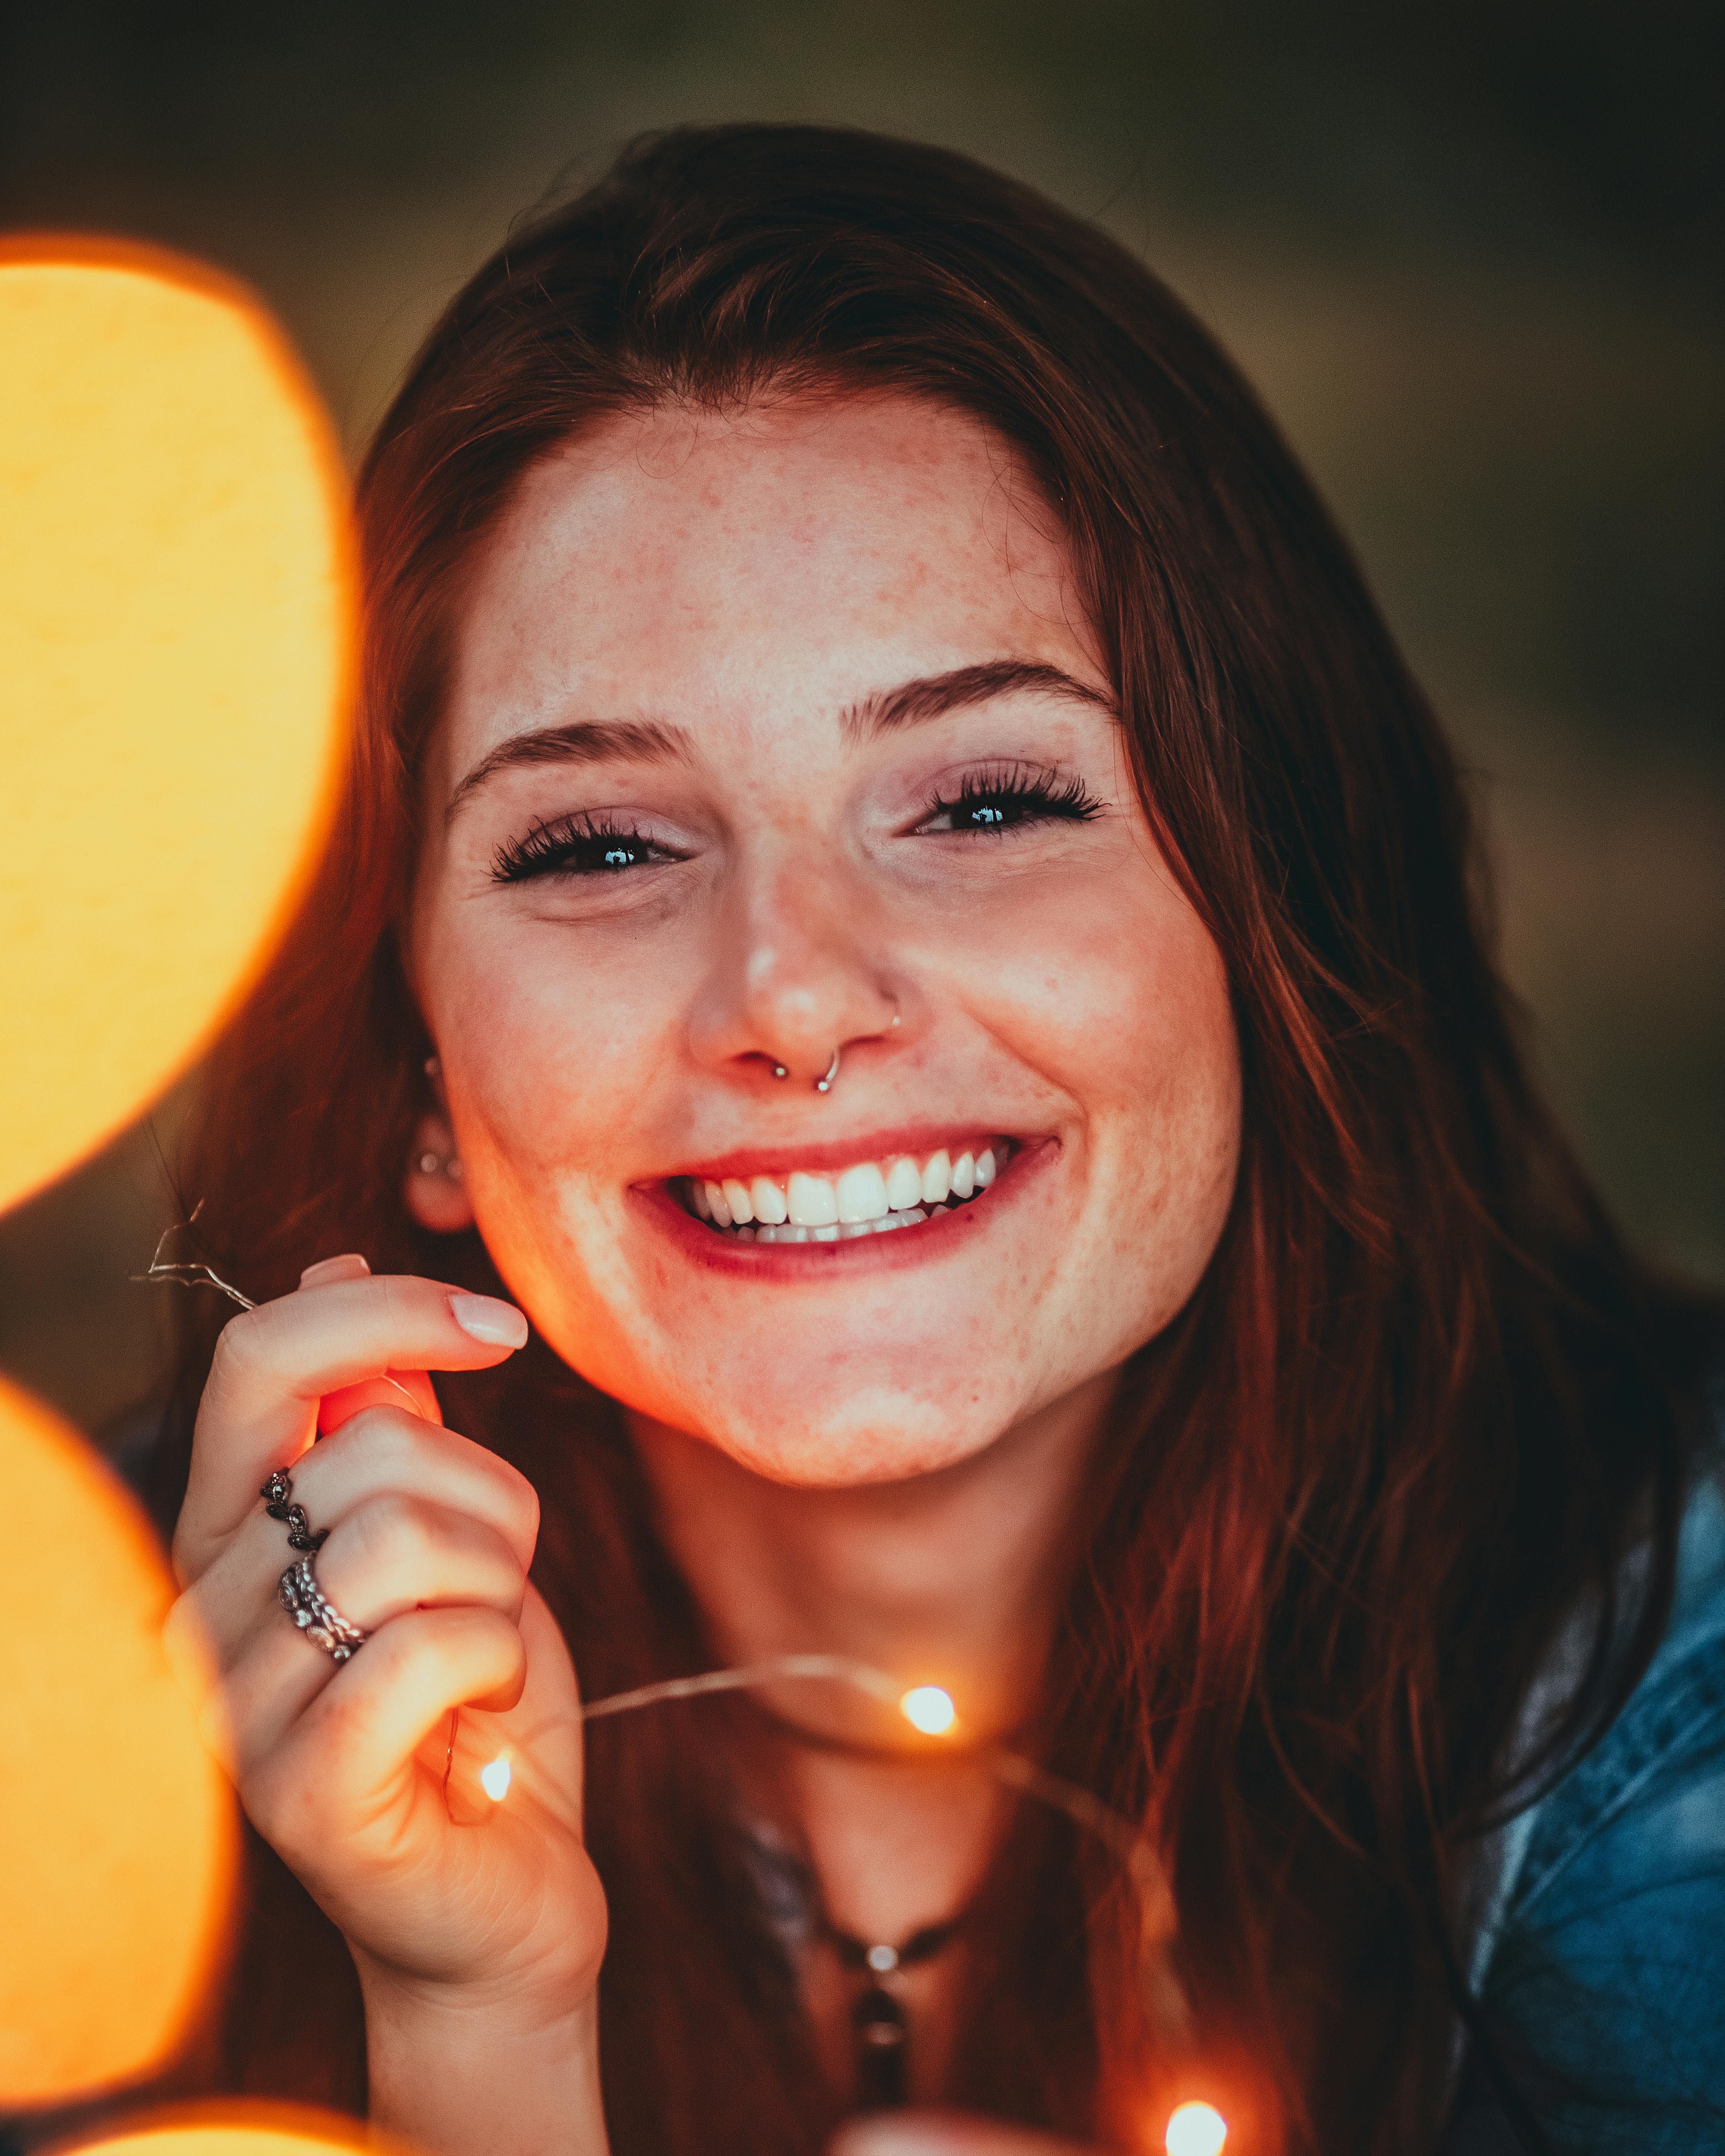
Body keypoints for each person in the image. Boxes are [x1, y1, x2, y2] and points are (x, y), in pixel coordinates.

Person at [144, 125, 1723, 2156]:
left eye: (984, 804)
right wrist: (473, 2031)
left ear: (1276, 917)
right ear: (422, 1077)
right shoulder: (77, 1754)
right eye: (603, 843)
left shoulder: (1676, 1694)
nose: (794, 1001)